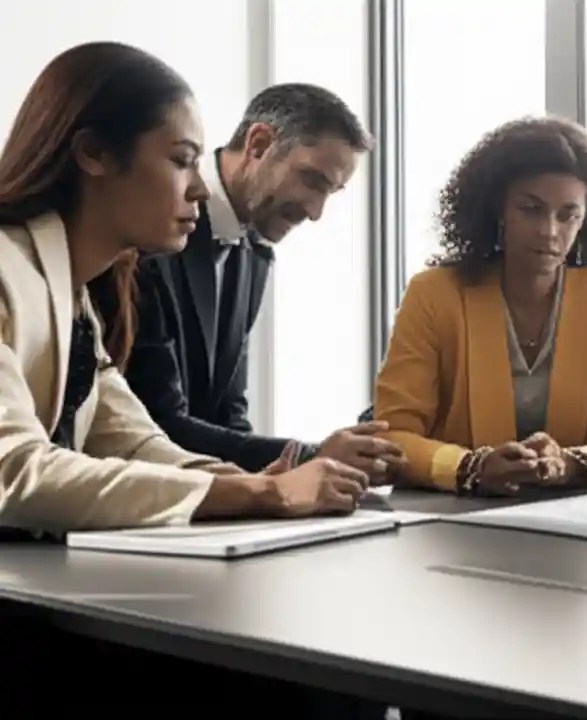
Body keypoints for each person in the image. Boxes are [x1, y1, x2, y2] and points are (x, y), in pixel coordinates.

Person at [0, 41, 375, 719]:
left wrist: (269, 490)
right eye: (181, 161)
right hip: (21, 625)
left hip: (41, 595)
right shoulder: (7, 272)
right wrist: (262, 494)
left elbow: (138, 441)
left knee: (331, 679)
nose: (201, 187)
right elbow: (16, 474)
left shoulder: (77, 292)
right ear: (93, 154)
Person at [87, 83, 403, 479]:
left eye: (331, 192)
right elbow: (155, 421)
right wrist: (308, 456)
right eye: (312, 180)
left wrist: (280, 483)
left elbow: (229, 416)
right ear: (258, 143)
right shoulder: (149, 236)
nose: (316, 211)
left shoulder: (255, 257)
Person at [373, 116, 587, 496]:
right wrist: (472, 467)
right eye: (531, 209)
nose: (550, 231)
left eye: (568, 215)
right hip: (449, 519)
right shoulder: (433, 294)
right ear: (498, 208)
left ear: (586, 220)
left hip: (573, 521)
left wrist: (571, 463)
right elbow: (393, 437)